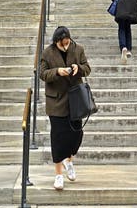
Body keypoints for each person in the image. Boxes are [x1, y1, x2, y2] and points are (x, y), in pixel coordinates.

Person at [39, 26, 91, 191]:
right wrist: (57, 72)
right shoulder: (47, 53)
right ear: (56, 42)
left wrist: (78, 68)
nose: (65, 46)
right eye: (62, 43)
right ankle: (58, 175)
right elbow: (42, 74)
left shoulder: (78, 49)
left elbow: (87, 68)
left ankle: (68, 161)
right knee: (58, 138)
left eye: (67, 42)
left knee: (76, 135)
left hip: (75, 100)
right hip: (56, 101)